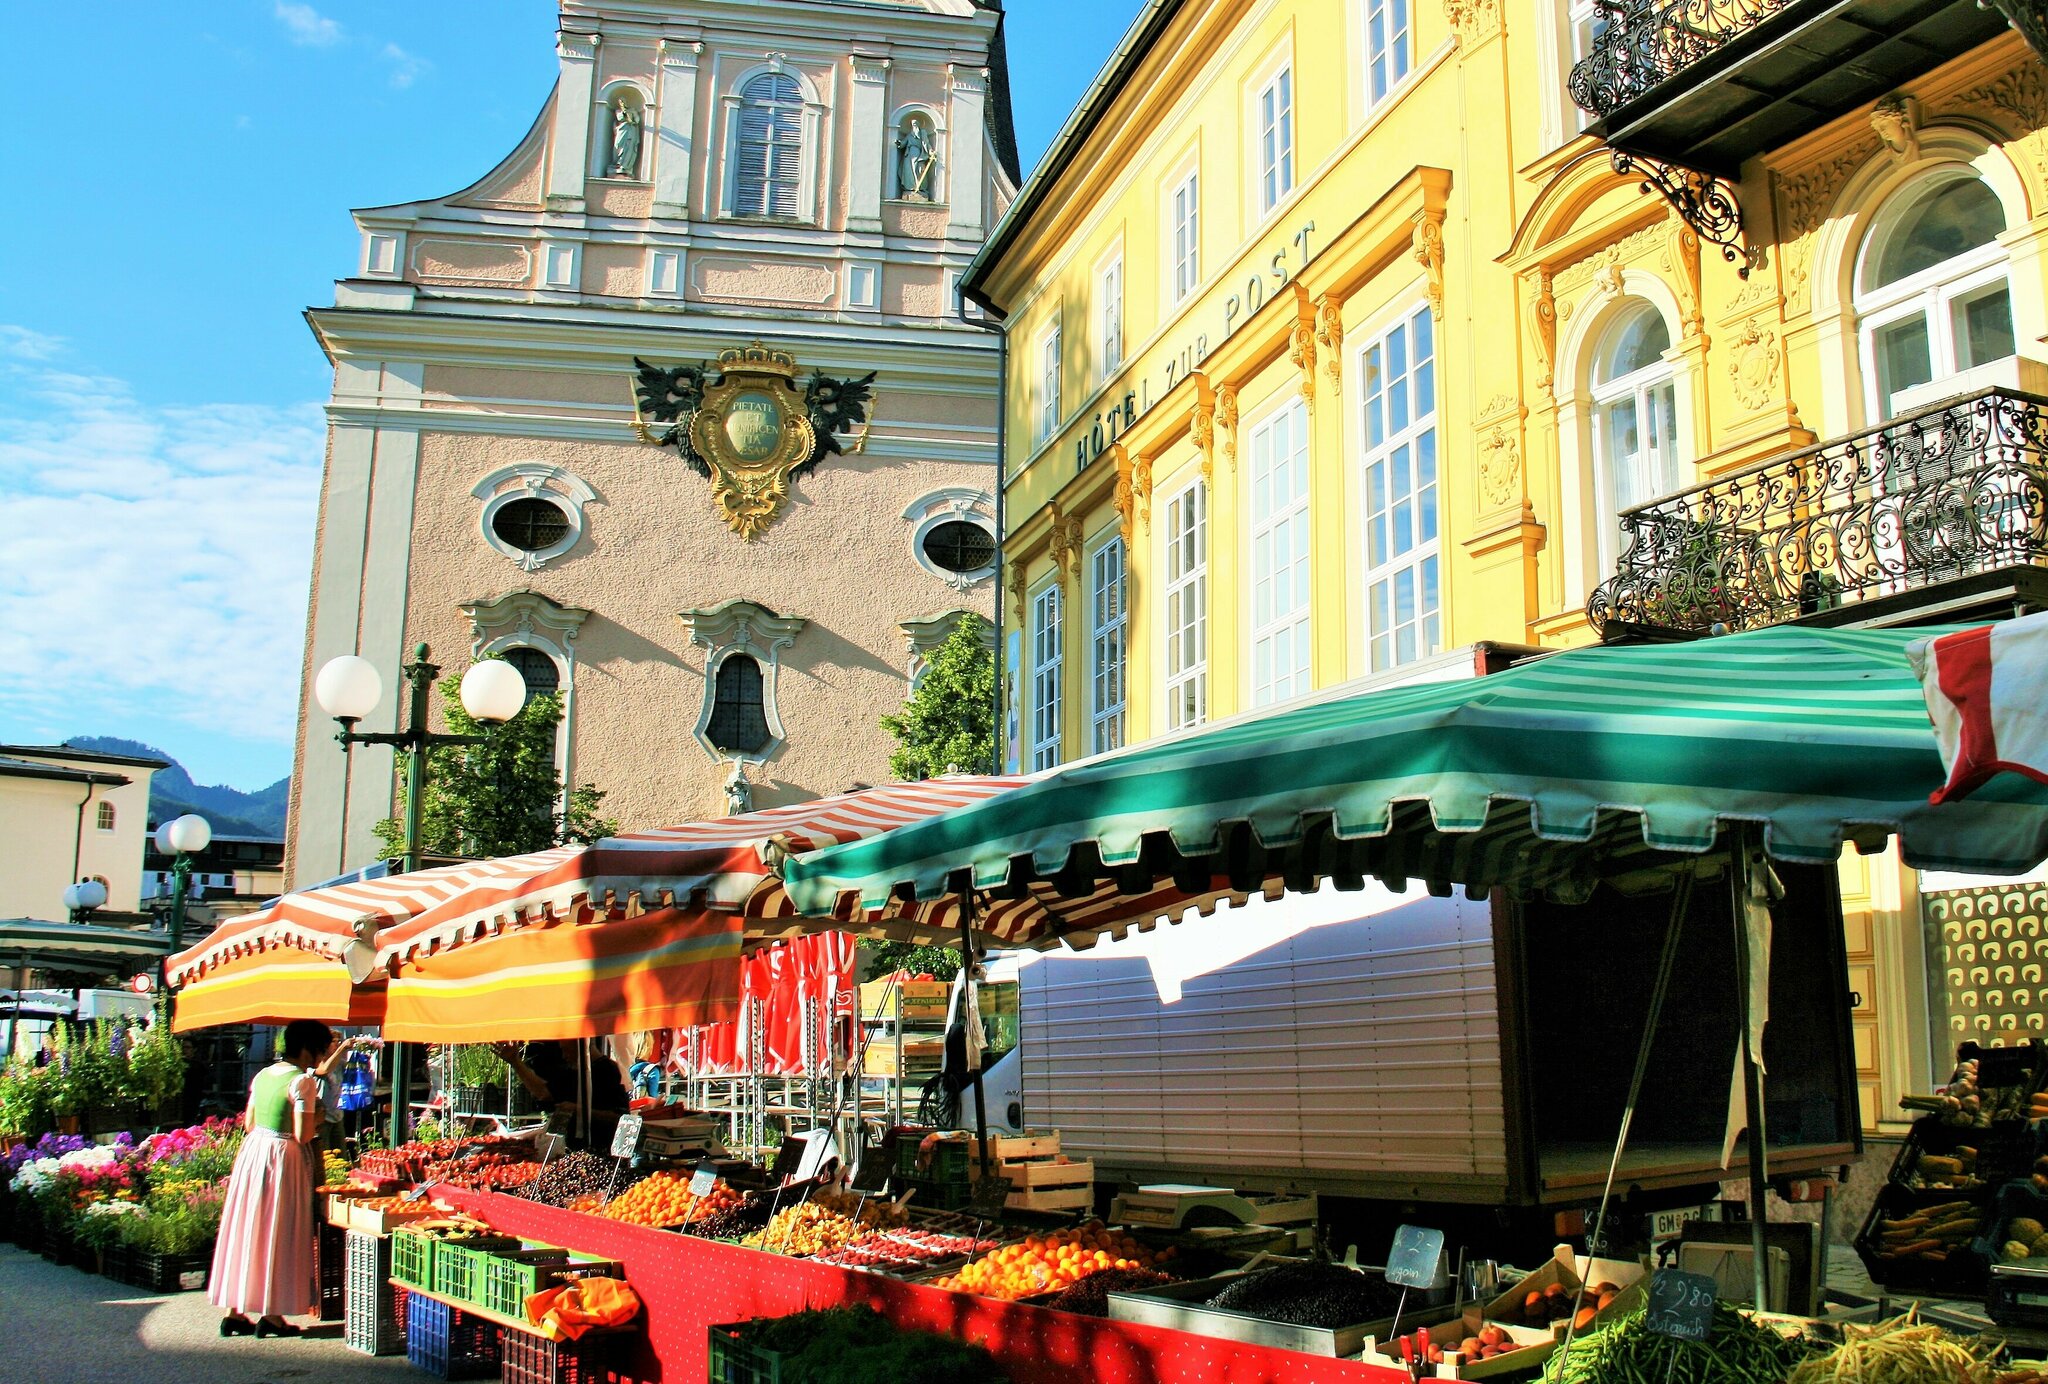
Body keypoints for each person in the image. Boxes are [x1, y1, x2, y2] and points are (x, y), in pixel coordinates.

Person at [210, 1020, 358, 1338]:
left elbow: (249, 1121)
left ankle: (234, 1311)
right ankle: (272, 1314)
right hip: (284, 1159)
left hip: (254, 1154)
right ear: (308, 1049)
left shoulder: (263, 1074)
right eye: (320, 1050)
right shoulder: (302, 1082)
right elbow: (304, 1134)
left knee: (248, 1226)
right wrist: (318, 1116)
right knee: (277, 1230)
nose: (322, 1056)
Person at [493, 1040, 631, 1141]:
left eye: (565, 1049)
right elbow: (544, 1092)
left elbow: (619, 1117)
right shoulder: (572, 1072)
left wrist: (578, 1110)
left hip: (601, 1146)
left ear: (580, 1045)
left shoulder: (607, 1070)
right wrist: (515, 1062)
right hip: (573, 1149)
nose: (564, 1055)